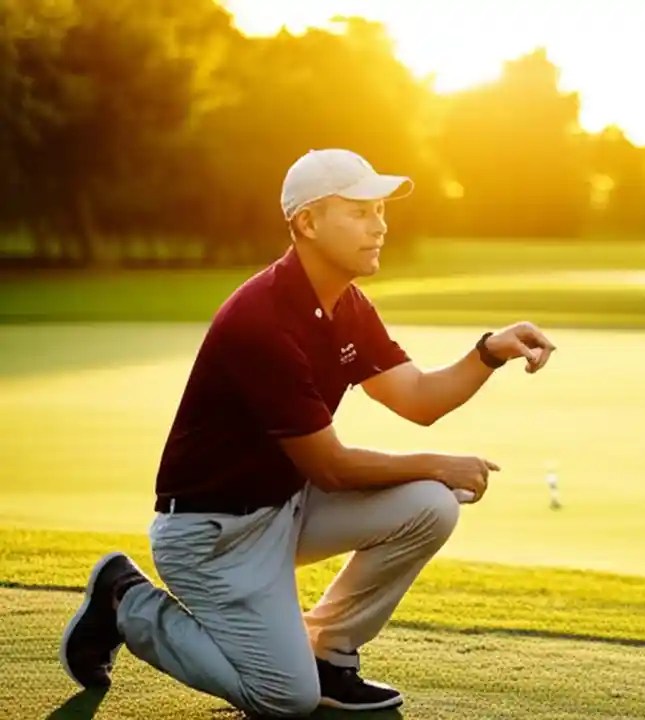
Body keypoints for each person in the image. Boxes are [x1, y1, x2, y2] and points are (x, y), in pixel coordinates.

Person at [58, 148, 557, 717]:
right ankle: (126, 601)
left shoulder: (347, 305)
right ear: (307, 222)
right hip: (210, 538)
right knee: (284, 699)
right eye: (361, 210)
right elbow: (332, 468)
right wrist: (436, 463)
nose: (381, 224)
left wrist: (489, 352)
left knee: (432, 507)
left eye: (381, 210)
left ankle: (331, 654)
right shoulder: (261, 321)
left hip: (285, 510)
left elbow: (418, 397)